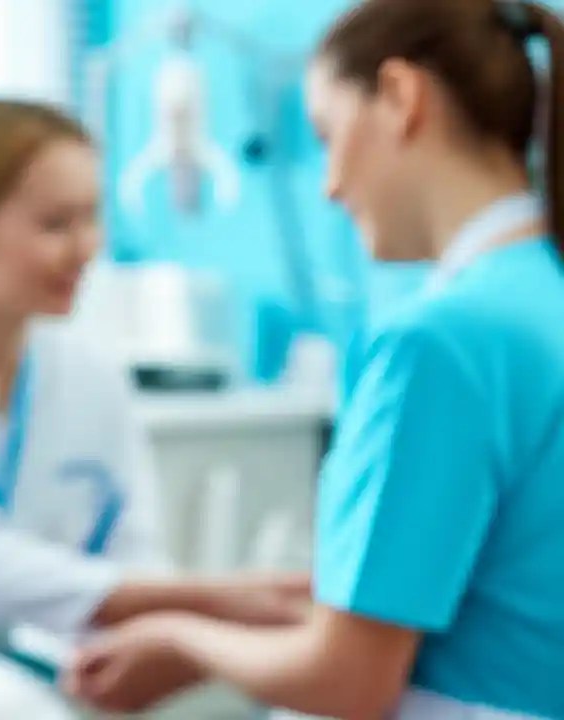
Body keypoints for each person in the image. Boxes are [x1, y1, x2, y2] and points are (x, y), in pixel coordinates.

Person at [63, 1, 564, 719]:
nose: (329, 185)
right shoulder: (541, 298)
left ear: (400, 97)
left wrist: (183, 641)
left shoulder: (440, 341)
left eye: (328, 135)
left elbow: (350, 680)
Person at [0, 97, 309, 717]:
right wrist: (210, 598)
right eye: (54, 224)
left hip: (38, 656)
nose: (86, 247)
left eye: (92, 219)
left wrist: (151, 639)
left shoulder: (90, 371)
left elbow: (132, 542)